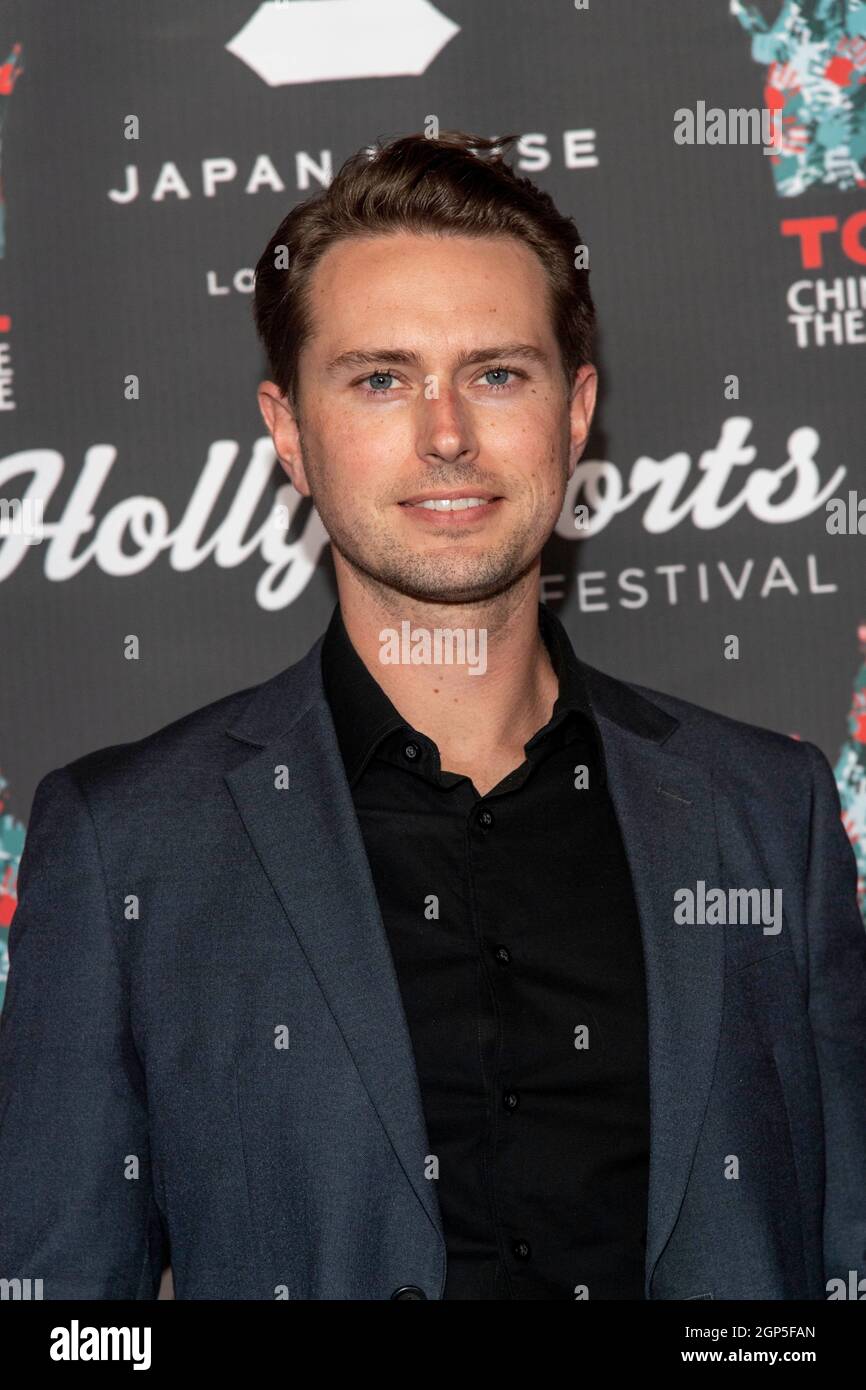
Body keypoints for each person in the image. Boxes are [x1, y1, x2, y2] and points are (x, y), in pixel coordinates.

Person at [1, 131, 864, 1301]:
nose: (446, 430)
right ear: (288, 433)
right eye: (379, 377)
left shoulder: (769, 815)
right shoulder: (128, 844)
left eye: (497, 373)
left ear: (575, 414)